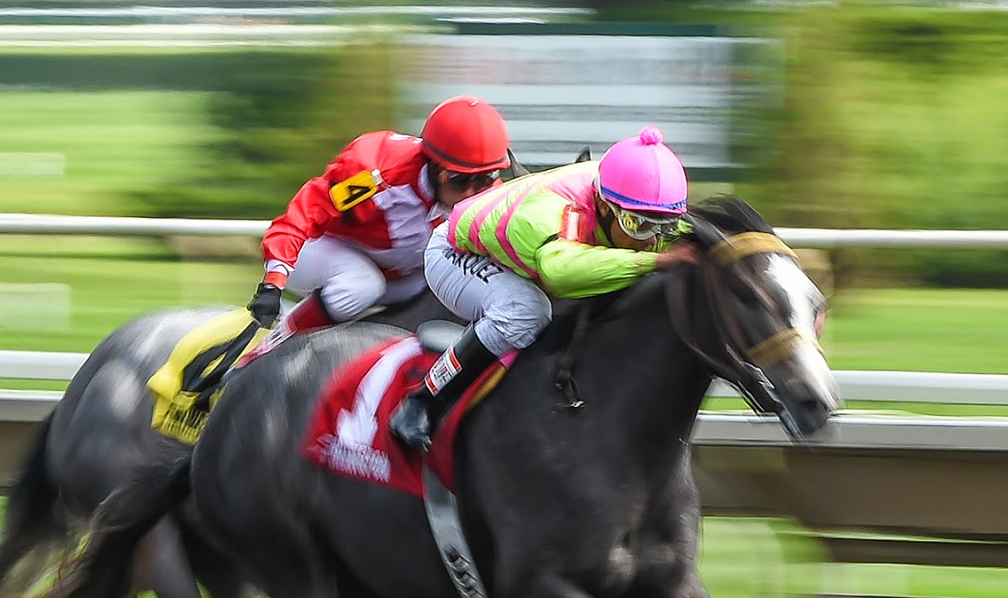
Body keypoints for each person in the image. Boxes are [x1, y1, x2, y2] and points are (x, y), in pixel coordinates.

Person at [389, 125, 699, 450]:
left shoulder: (629, 192)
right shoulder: (553, 214)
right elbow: (558, 272)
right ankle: (421, 403)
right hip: (454, 253)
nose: (652, 240)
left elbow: (685, 234)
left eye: (664, 226)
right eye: (638, 225)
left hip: (517, 259)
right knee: (527, 310)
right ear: (605, 207)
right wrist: (653, 263)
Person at [244, 96, 512, 347]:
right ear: (431, 164)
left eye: (485, 179)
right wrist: (273, 284)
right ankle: (271, 348)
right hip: (317, 251)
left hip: (398, 275)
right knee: (362, 285)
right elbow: (301, 216)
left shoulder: (488, 194)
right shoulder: (373, 176)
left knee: (450, 286)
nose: (470, 193)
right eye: (457, 179)